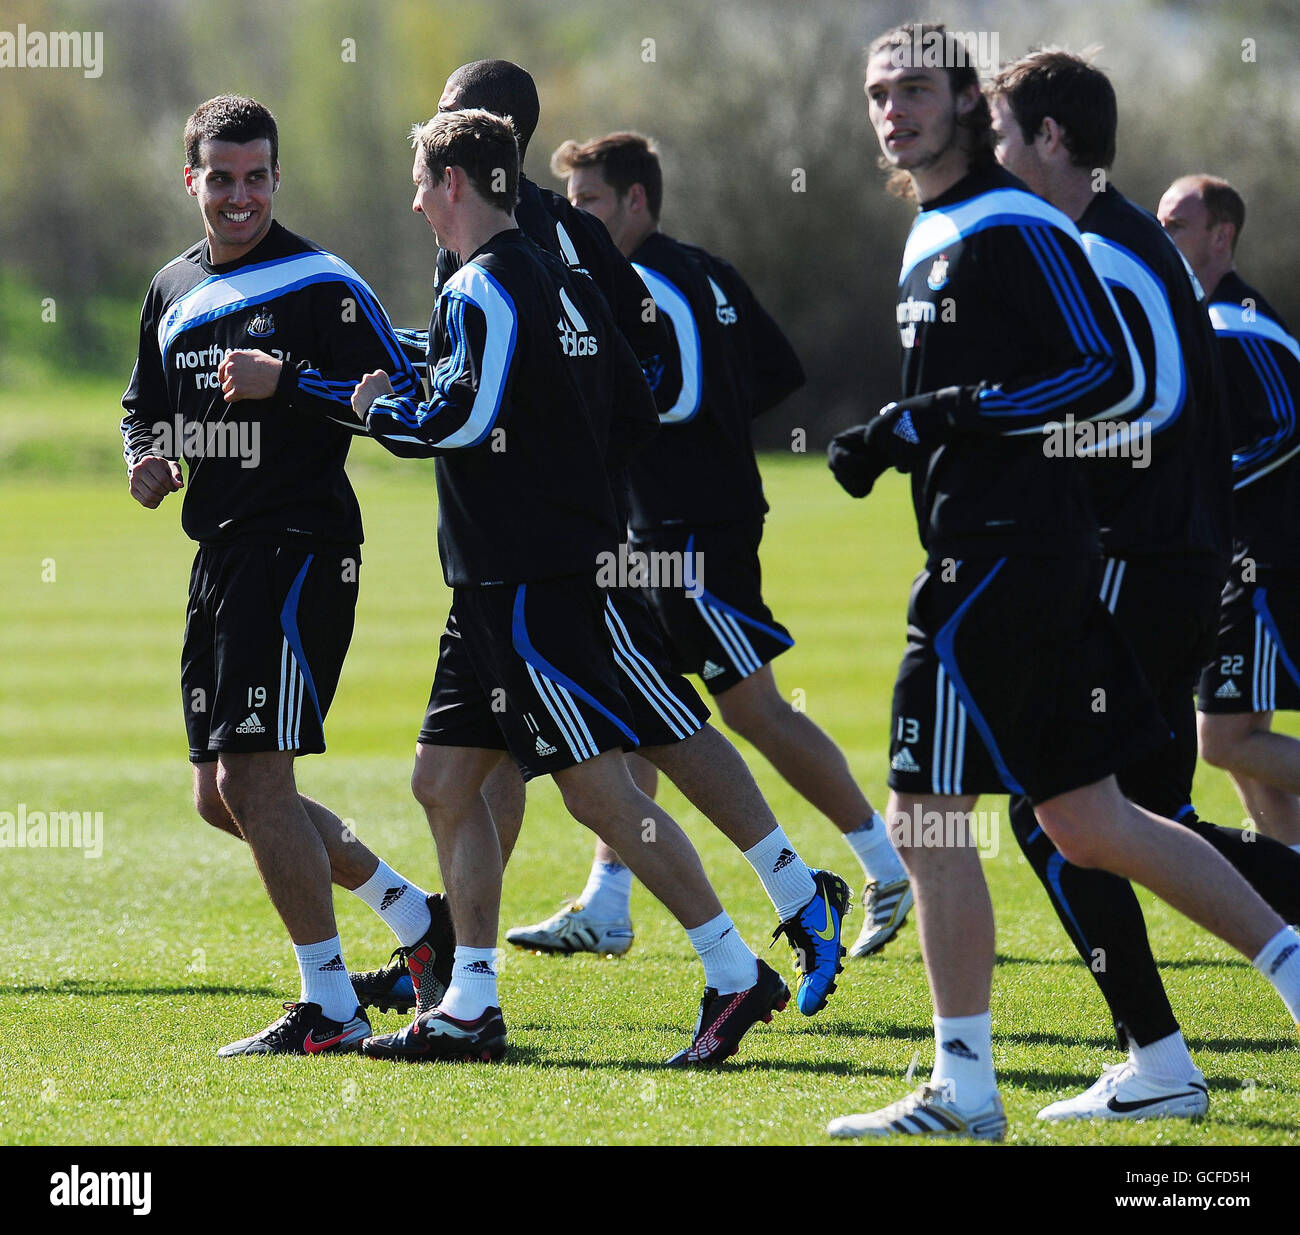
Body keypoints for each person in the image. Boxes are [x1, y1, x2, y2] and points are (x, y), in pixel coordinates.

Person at [824, 23, 1300, 1140]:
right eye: (878, 92)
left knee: (927, 816)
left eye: (919, 91)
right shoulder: (934, 230)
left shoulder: (1014, 223)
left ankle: (966, 1086)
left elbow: (1107, 369)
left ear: (965, 101)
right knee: (1086, 819)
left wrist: (938, 417)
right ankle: (1192, 1031)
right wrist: (908, 434)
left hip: (1007, 560)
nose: (896, 110)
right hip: (1001, 552)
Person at [360, 60, 853, 1023]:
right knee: (511, 755)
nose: (428, 169)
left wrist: (547, 473)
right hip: (560, 534)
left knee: (628, 742)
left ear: (479, 139)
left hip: (550, 548)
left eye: (446, 130)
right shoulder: (570, 231)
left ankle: (762, 924)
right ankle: (464, 966)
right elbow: (628, 379)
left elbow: (557, 382)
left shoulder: (508, 243)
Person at [988, 49, 1300, 1122]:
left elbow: (1148, 406)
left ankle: (1162, 1061)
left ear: (1053, 142)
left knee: (1054, 812)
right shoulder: (1108, 240)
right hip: (1170, 562)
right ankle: (1161, 1057)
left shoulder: (1101, 250)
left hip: (1139, 563)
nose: (990, 154)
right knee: (1145, 808)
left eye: (1002, 134)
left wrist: (1013, 452)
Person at [119, 94, 450, 1055]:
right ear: (192, 180)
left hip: (302, 546)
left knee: (257, 776)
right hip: (218, 552)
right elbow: (143, 403)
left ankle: (331, 1007)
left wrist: (289, 380)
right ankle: (418, 922)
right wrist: (145, 457)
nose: (239, 196)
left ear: (277, 177)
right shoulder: (171, 286)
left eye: (256, 176)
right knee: (219, 795)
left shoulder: (322, 282)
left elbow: (408, 408)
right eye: (220, 178)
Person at [537, 128, 911, 961]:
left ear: (636, 199)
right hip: (671, 525)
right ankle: (608, 899)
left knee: (753, 710)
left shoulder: (638, 281)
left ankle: (887, 866)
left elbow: (669, 398)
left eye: (589, 202)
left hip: (689, 532)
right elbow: (774, 372)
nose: (577, 220)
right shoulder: (706, 269)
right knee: (644, 708)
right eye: (571, 206)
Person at [1158, 175, 1300, 851]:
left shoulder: (1235, 323)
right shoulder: (1202, 320)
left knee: (1222, 738)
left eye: (1176, 226)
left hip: (1272, 560)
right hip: (1238, 561)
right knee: (1234, 733)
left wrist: (1201, 489)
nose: (1163, 238)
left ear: (1221, 234)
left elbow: (1285, 426)